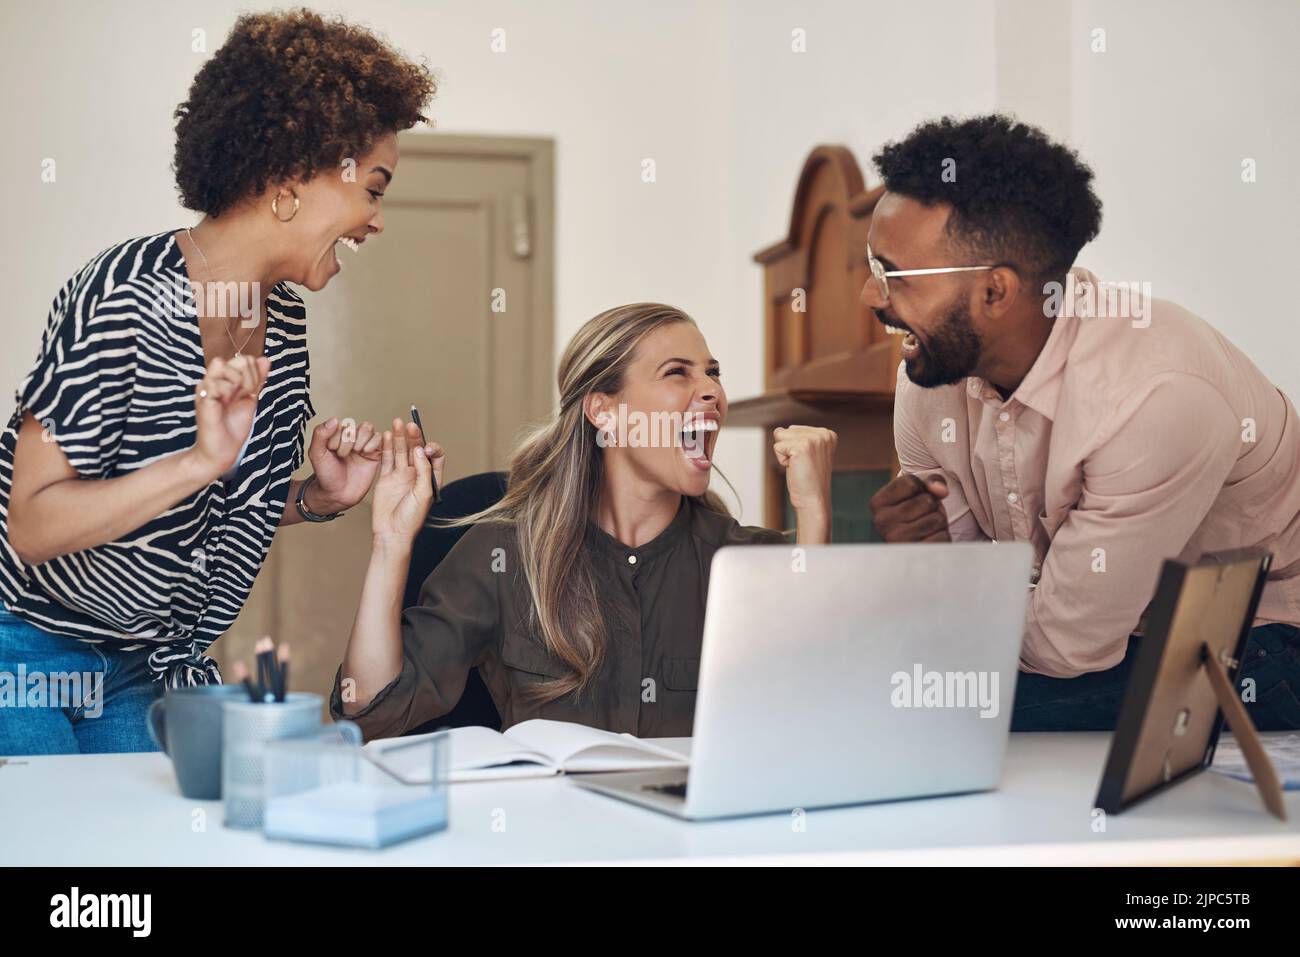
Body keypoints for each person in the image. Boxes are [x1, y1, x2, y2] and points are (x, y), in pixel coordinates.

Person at [0, 9, 436, 754]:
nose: (377, 220)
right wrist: (198, 460)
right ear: (293, 178)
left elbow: (204, 509)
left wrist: (314, 498)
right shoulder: (125, 294)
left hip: (147, 662)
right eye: (373, 187)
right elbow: (32, 525)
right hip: (27, 648)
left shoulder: (285, 326)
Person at [864, 114, 1300, 731]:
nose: (869, 296)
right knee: (887, 684)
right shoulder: (930, 379)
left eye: (894, 275)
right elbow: (961, 595)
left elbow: (1064, 646)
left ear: (995, 293)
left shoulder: (1154, 395)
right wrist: (927, 559)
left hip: (1262, 638)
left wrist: (952, 598)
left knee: (919, 711)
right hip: (1106, 635)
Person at [333, 303, 837, 738]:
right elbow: (371, 710)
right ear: (603, 410)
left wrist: (814, 515)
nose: (711, 392)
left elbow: (813, 716)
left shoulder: (746, 563)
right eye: (678, 372)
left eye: (713, 372)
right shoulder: (505, 555)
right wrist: (390, 543)